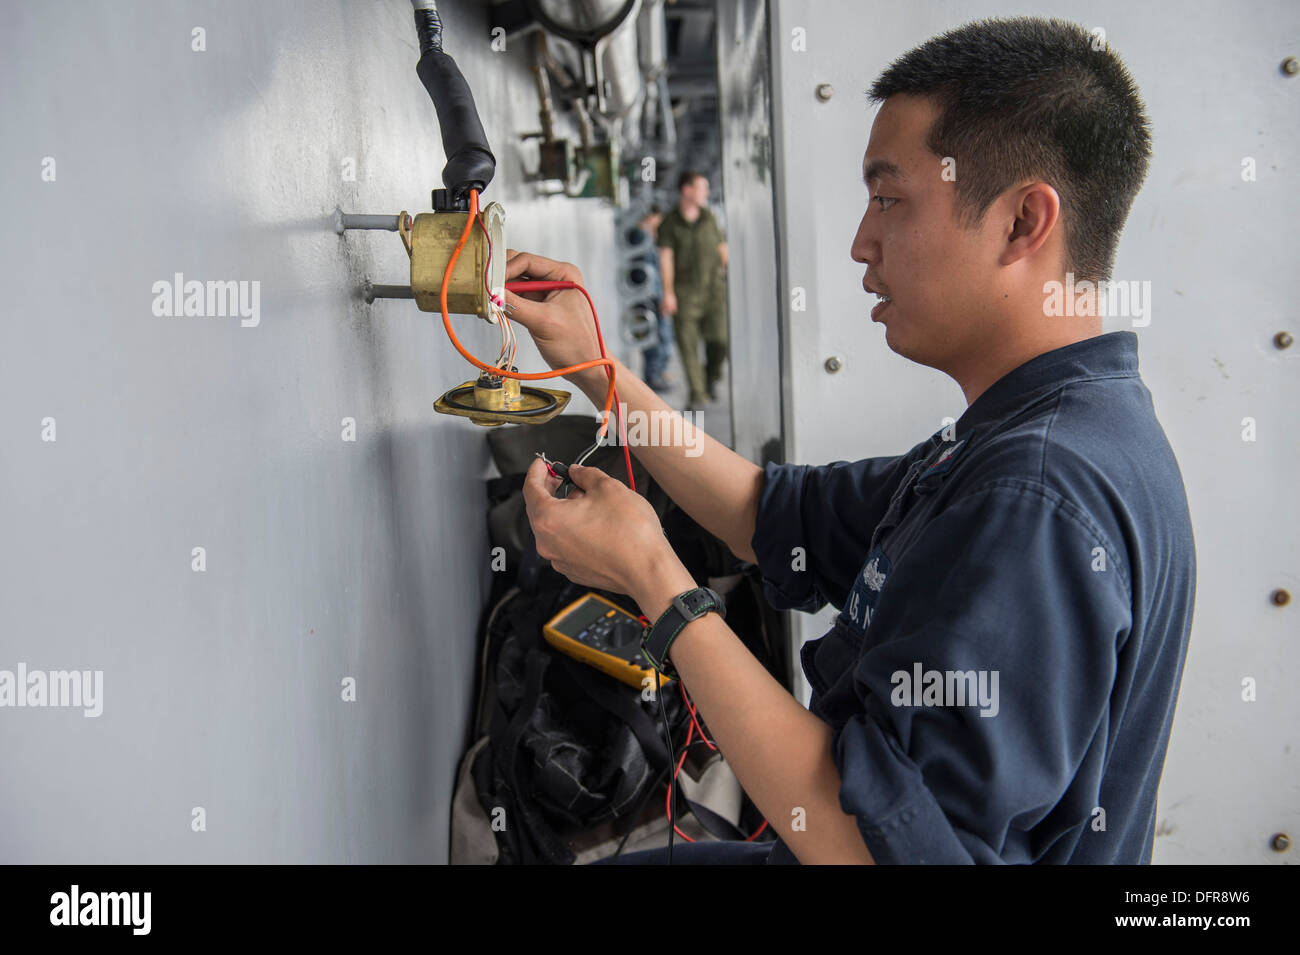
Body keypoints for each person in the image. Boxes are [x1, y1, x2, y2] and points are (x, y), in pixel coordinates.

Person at [501, 15, 1195, 864]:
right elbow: (770, 515)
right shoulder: (1040, 431)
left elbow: (873, 851)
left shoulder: (1036, 496)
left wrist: (653, 577)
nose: (863, 243)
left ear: (1022, 223)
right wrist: (598, 367)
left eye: (889, 199)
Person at [657, 171, 729, 409]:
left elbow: (722, 248)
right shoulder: (670, 223)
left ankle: (710, 380)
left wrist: (728, 274)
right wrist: (668, 293)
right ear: (687, 190)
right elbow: (665, 258)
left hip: (713, 292)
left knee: (720, 340)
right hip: (685, 293)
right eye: (702, 188)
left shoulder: (709, 217)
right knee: (688, 346)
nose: (706, 193)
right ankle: (698, 395)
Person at [631, 206, 675, 393]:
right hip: (647, 296)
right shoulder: (641, 237)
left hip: (653, 294)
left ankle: (657, 373)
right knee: (655, 338)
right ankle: (653, 376)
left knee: (662, 337)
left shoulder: (651, 239)